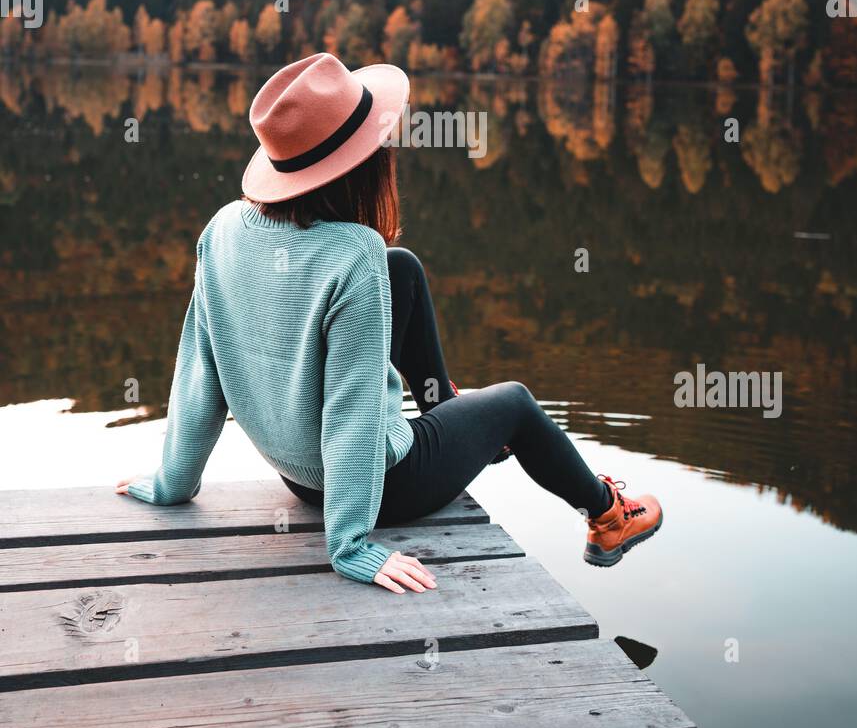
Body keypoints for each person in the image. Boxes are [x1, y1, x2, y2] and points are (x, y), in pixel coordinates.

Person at [117, 53, 662, 592]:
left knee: (401, 268)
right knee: (515, 403)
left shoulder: (222, 229)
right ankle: (610, 517)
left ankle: (443, 410)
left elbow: (200, 371)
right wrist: (350, 546)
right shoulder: (354, 254)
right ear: (363, 163)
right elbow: (352, 411)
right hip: (379, 486)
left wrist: (174, 482)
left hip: (299, 473)